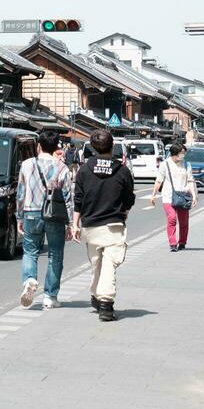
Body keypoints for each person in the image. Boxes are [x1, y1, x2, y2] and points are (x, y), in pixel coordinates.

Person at [72, 128, 136, 322]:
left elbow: (78, 199)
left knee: (96, 263)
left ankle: (97, 295)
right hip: (114, 225)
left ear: (92, 147)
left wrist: (74, 224)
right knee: (109, 264)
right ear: (113, 145)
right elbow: (129, 198)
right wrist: (124, 209)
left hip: (91, 225)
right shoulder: (122, 170)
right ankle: (105, 304)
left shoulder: (84, 169)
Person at [16, 130, 73, 310]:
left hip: (31, 212)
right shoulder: (63, 168)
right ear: (57, 147)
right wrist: (71, 223)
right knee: (55, 255)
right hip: (54, 215)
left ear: (38, 146)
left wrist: (19, 217)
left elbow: (20, 193)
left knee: (30, 251)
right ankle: (50, 296)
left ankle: (29, 279)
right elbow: (68, 198)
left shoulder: (26, 165)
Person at [151, 139, 197, 251]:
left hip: (184, 196)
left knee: (184, 222)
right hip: (168, 196)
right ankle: (172, 243)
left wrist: (194, 196)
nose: (183, 155)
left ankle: (182, 242)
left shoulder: (186, 164)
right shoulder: (165, 164)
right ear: (174, 153)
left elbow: (190, 181)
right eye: (181, 153)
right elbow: (159, 181)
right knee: (172, 218)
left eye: (184, 153)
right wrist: (153, 195)